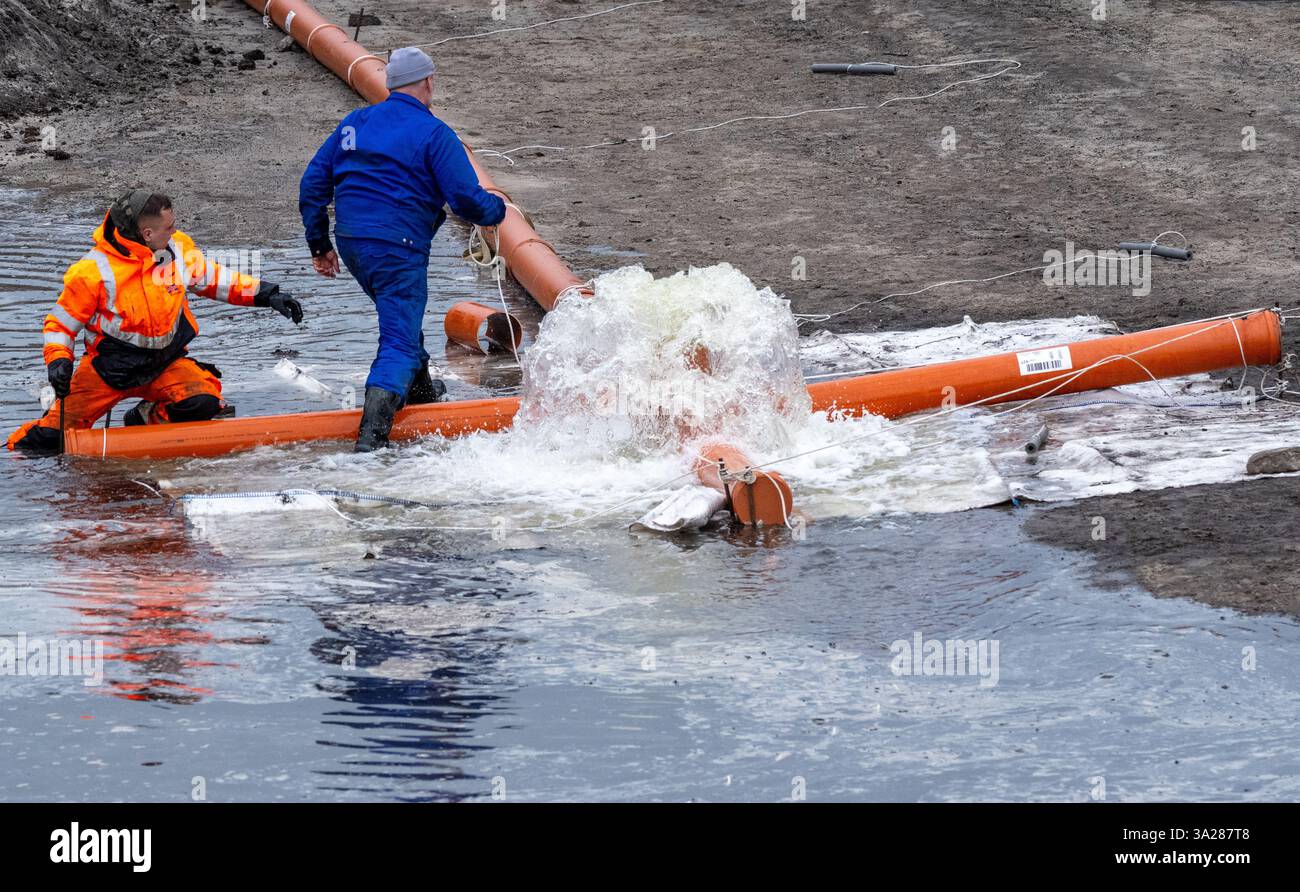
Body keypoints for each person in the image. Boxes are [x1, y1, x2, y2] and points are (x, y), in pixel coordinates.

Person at [299, 46, 506, 452]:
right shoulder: (434, 133)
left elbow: (312, 185)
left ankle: (423, 395)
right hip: (398, 247)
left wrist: (319, 243)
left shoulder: (354, 123)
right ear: (429, 82)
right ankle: (370, 443)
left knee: (400, 321)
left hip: (353, 243)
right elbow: (465, 200)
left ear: (390, 84)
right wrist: (496, 209)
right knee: (396, 340)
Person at [7, 189, 303, 454]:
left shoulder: (176, 251)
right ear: (147, 234)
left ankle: (142, 419)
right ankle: (12, 456)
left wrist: (266, 294)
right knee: (47, 439)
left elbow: (214, 279)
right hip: (108, 371)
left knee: (202, 402)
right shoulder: (92, 271)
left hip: (164, 364)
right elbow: (60, 325)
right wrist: (58, 361)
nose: (175, 231)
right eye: (169, 227)